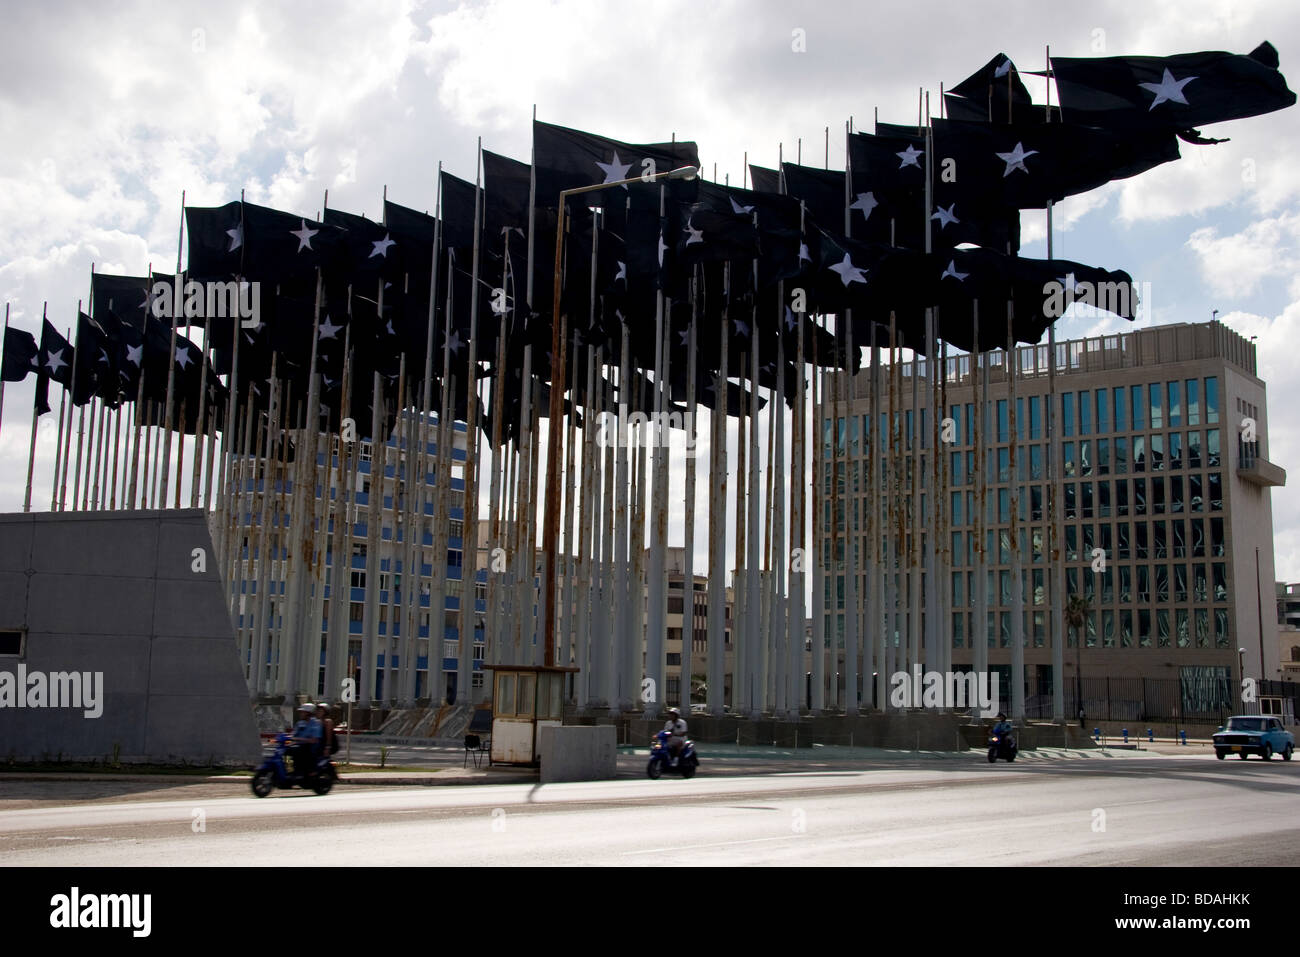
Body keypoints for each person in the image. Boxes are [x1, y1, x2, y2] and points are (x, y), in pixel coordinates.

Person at [290, 703, 322, 777]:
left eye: (303, 712)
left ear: (309, 713)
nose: (301, 714)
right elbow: (293, 734)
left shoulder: (315, 723)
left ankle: (303, 772)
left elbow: (314, 740)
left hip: (311, 748)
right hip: (300, 746)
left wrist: (299, 739)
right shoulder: (300, 723)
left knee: (300, 750)